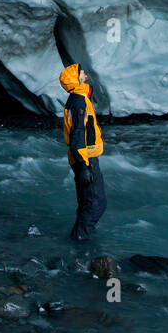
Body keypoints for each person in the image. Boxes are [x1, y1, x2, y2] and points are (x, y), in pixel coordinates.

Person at [59, 62, 106, 241]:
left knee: (87, 203)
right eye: (82, 72)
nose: (85, 73)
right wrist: (84, 166)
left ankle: (81, 237)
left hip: (84, 157)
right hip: (86, 158)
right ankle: (80, 241)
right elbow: (78, 133)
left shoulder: (79, 98)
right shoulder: (78, 102)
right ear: (76, 78)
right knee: (96, 204)